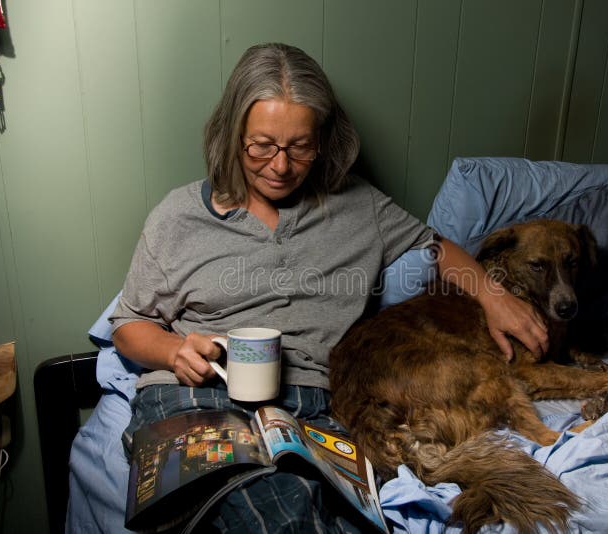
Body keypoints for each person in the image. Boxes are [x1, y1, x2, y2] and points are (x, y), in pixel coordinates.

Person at [111, 42, 548, 532]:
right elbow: (128, 325)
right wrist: (174, 351)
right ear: (232, 135)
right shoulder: (177, 217)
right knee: (274, 509)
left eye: (300, 146)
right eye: (262, 145)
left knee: (330, 510)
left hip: (312, 407)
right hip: (200, 398)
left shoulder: (359, 205)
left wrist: (493, 294)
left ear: (323, 140)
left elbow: (435, 245)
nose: (280, 165)